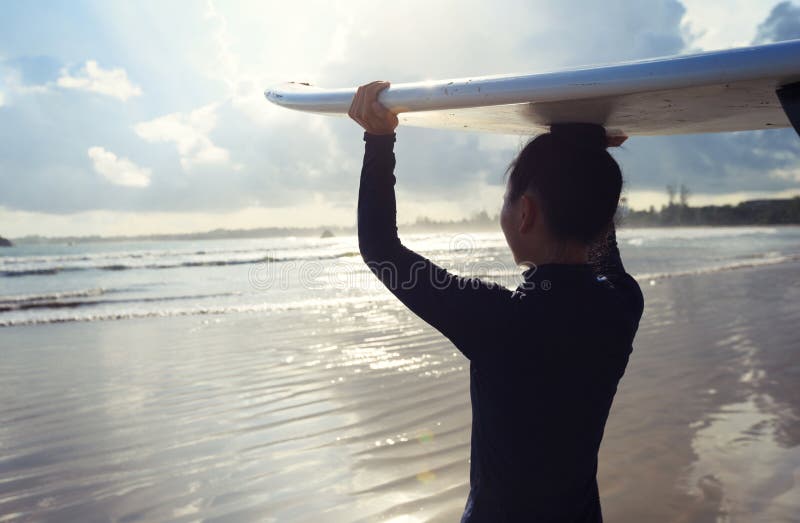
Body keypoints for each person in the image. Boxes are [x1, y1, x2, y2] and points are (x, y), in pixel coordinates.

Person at [349, 80, 644, 522]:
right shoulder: (621, 305)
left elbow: (380, 249)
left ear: (524, 212)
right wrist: (583, 149)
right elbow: (596, 235)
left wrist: (379, 138)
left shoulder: (499, 321)